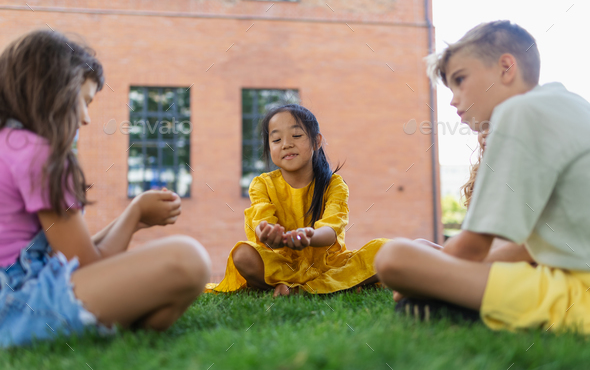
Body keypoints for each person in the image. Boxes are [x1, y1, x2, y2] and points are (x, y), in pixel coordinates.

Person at [375, 20, 590, 333]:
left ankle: (454, 305)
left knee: (394, 257)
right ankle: (453, 300)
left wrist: (423, 279)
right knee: (421, 246)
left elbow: (473, 247)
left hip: (575, 296)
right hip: (563, 271)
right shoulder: (567, 103)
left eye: (460, 80)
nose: (453, 98)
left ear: (506, 67)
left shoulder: (520, 112)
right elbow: (528, 247)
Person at [0, 30, 211, 347]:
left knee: (161, 291)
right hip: (19, 305)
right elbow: (89, 266)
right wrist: (136, 212)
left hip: (20, 295)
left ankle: (111, 324)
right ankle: (111, 324)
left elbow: (72, 254)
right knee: (189, 259)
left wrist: (133, 218)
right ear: (53, 90)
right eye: (83, 102)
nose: (85, 119)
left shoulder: (10, 146)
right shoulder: (40, 155)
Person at [209, 104, 388, 297]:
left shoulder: (334, 184)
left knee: (385, 249)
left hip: (329, 264)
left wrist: (308, 236)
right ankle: (321, 286)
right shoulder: (261, 184)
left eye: (296, 136)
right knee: (242, 254)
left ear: (316, 141)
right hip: (282, 264)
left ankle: (294, 289)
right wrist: (268, 235)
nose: (286, 144)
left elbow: (330, 231)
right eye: (276, 139)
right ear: (269, 147)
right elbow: (261, 224)